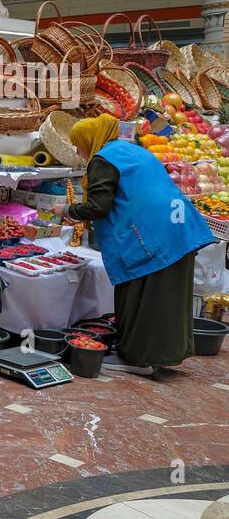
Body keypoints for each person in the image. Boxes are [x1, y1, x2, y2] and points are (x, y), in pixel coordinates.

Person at [50, 114, 214, 376]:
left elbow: (98, 206)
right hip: (177, 226)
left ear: (88, 140)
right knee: (165, 296)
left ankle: (139, 359)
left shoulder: (103, 159)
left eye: (77, 144)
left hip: (153, 233)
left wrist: (66, 208)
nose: (77, 151)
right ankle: (159, 354)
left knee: (141, 295)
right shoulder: (129, 149)